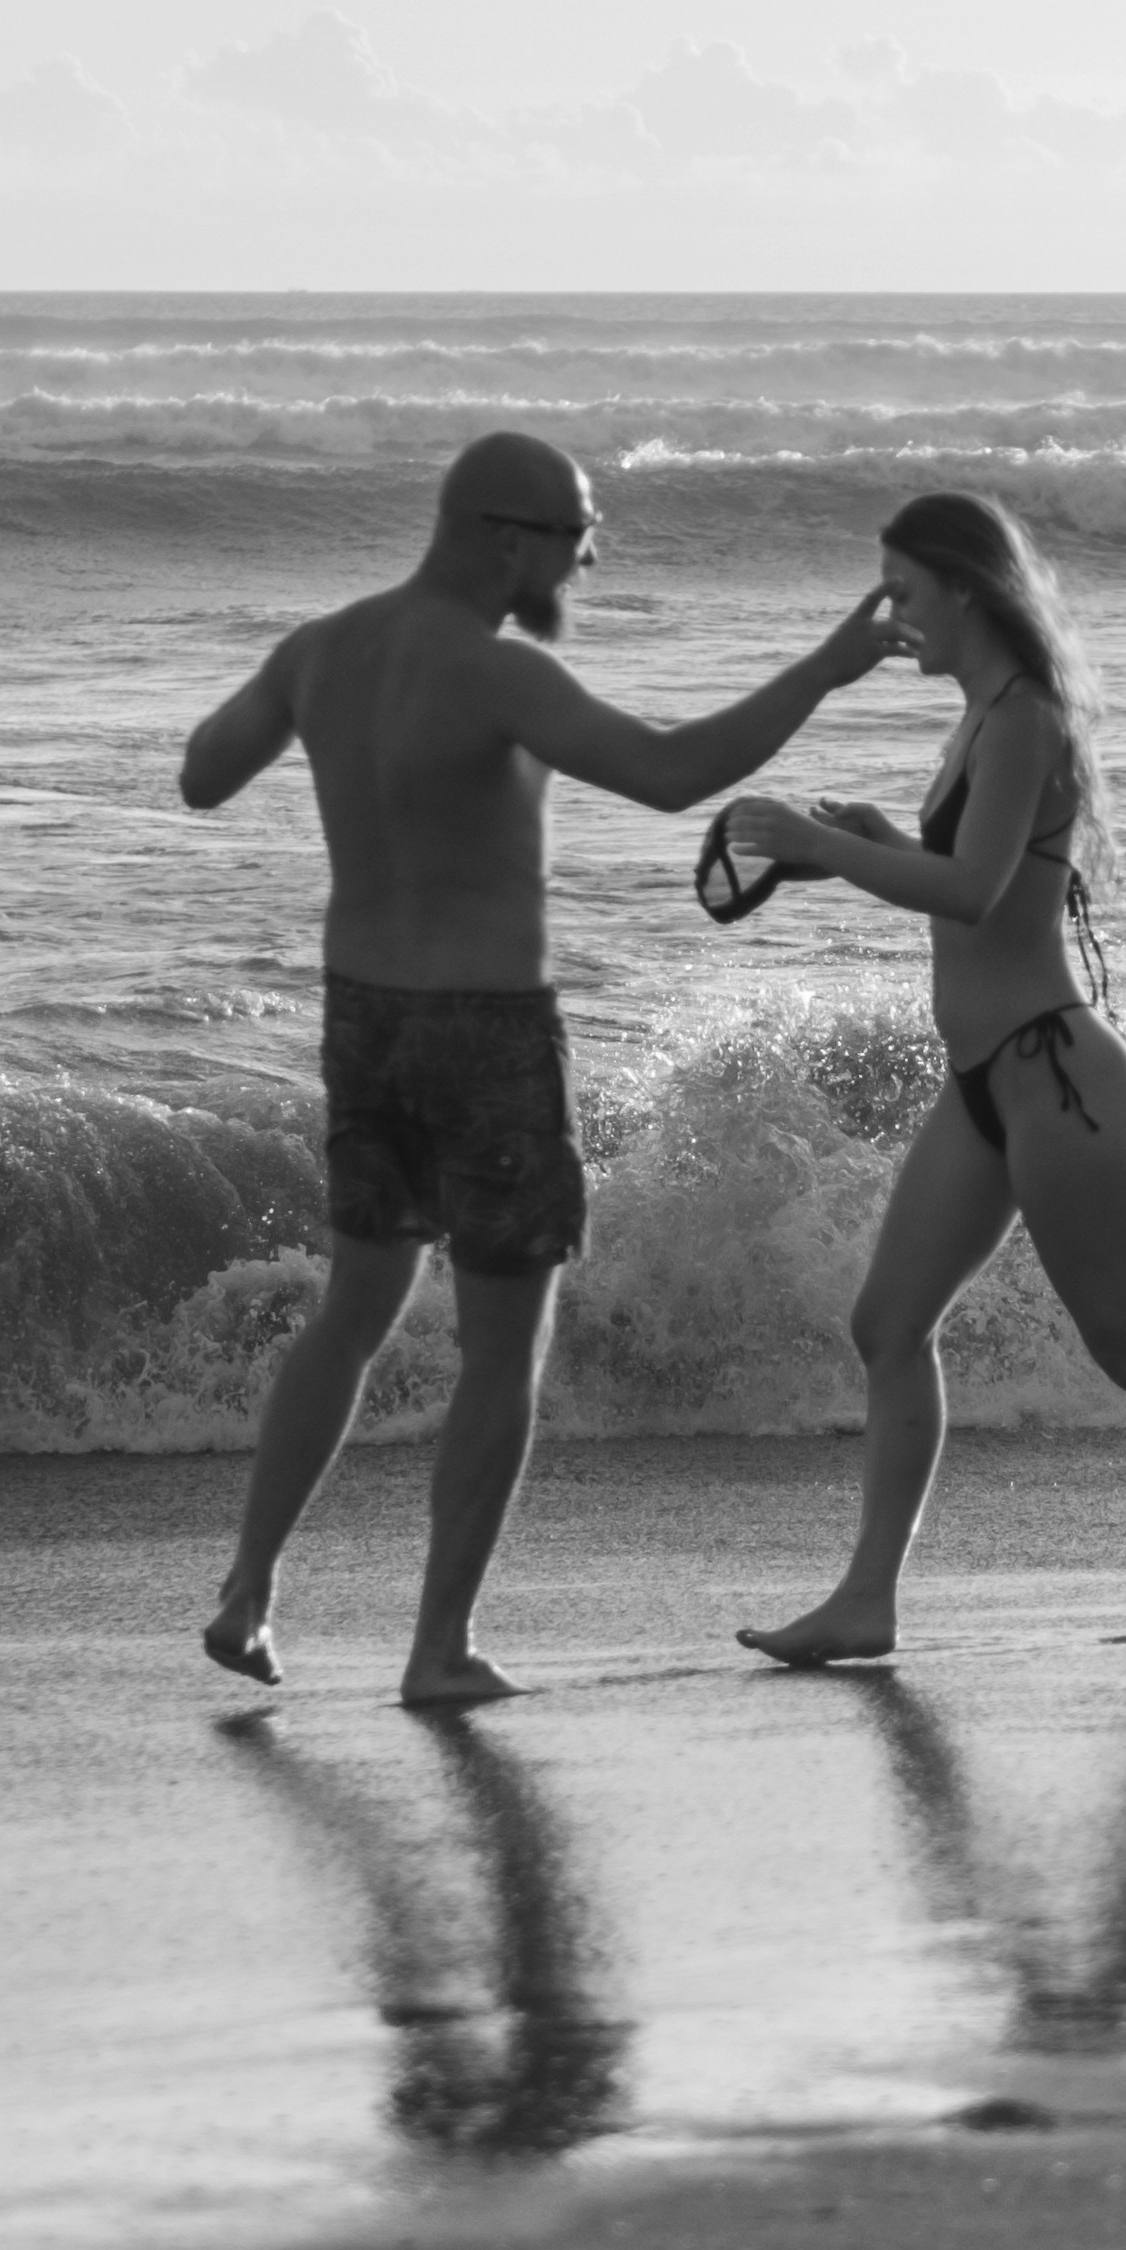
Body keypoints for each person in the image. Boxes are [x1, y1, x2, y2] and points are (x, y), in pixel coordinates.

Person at [184, 430, 901, 1708]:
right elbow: (672, 773)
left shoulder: (321, 649)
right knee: (499, 1352)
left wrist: (308, 718)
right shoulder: (493, 675)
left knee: (351, 1312)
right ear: (502, 535)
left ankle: (247, 1590)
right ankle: (437, 1650)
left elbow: (200, 775)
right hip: (487, 1034)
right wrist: (828, 670)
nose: (588, 551)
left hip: (363, 1022)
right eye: (578, 530)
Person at [720, 491, 1126, 1664]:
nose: (889, 615)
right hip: (985, 1081)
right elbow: (974, 881)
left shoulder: (1021, 721)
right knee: (887, 1323)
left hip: (1054, 1078)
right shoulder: (976, 721)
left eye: (902, 590)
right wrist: (876, 839)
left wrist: (827, 850)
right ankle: (867, 1601)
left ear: (965, 589)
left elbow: (968, 897)